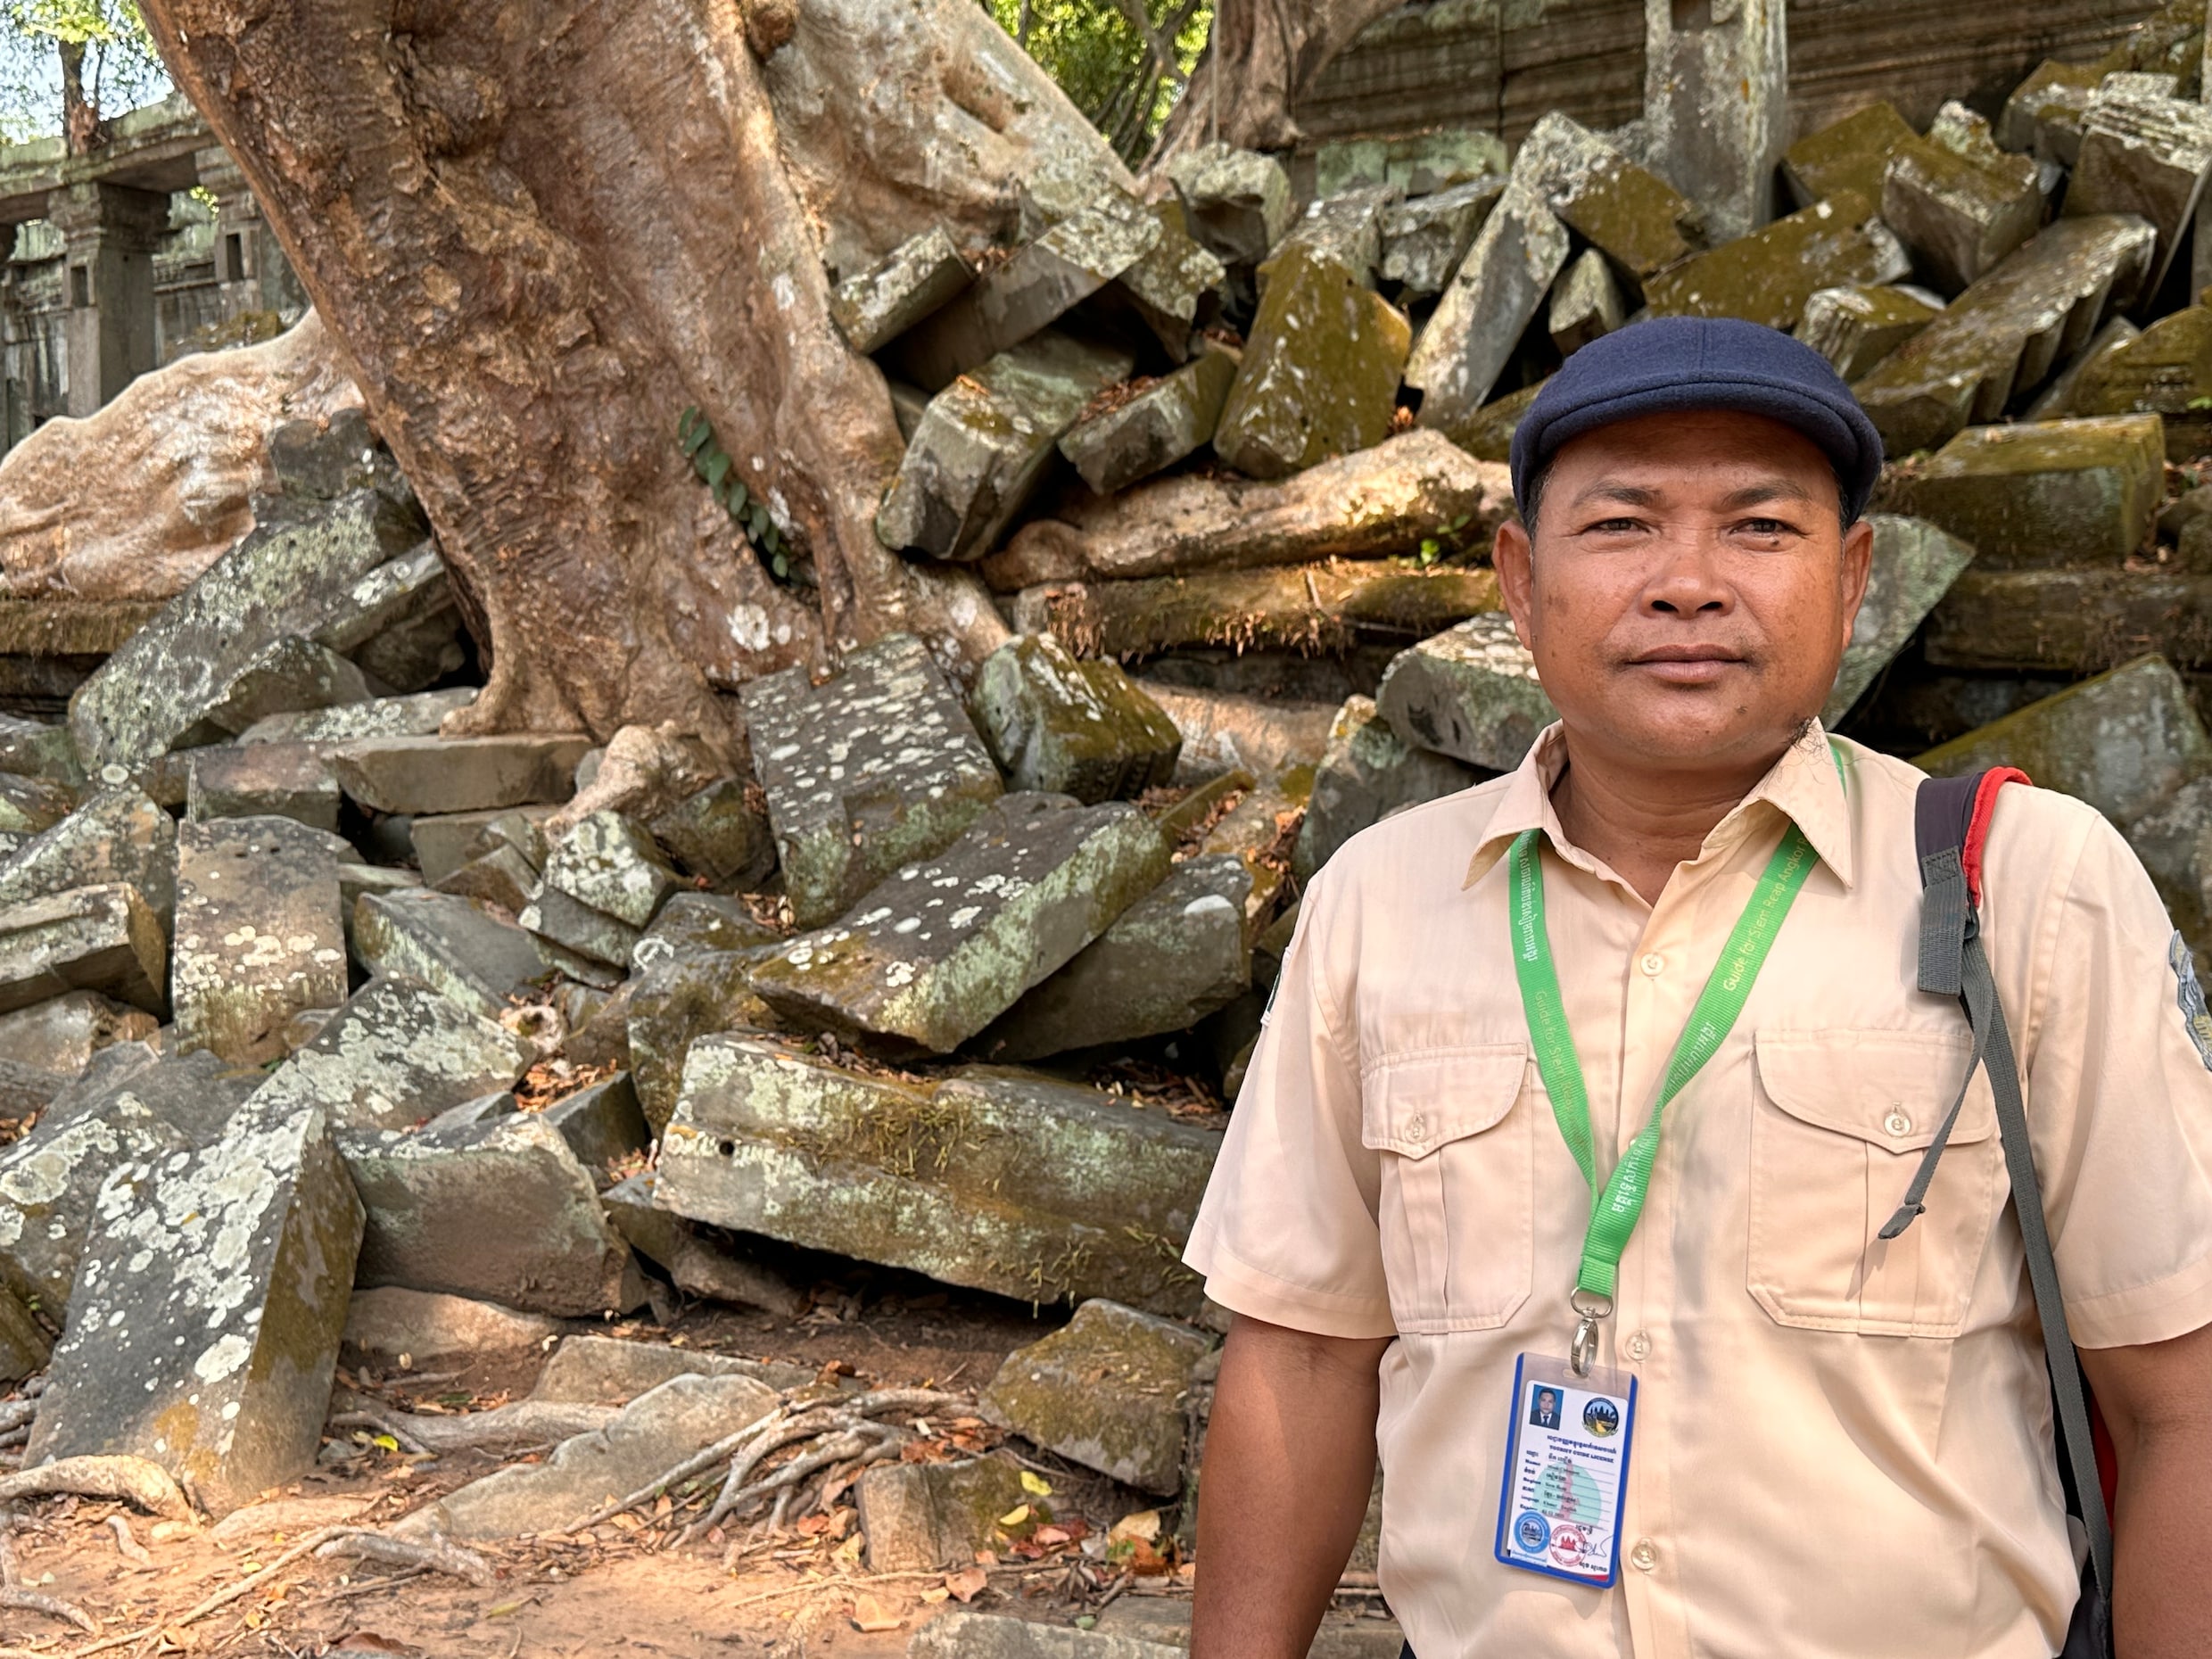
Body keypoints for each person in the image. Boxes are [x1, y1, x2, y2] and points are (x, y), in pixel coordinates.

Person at [1183, 317, 2212, 1659]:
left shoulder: (2028, 888)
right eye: (1621, 526)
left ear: (1853, 582)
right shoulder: (1380, 907)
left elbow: (2180, 1398)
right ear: (1518, 577)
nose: (1687, 583)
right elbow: (1301, 1362)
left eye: (1759, 529)